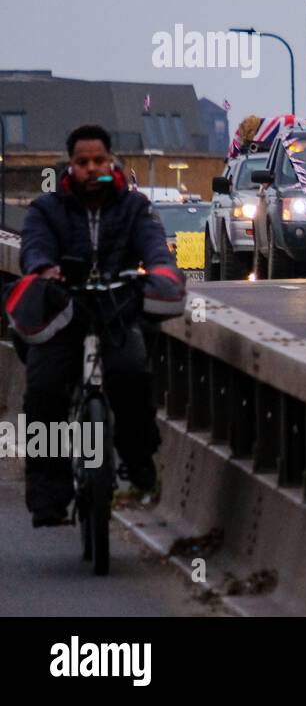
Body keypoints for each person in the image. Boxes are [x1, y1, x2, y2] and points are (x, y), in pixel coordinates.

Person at [15, 125, 180, 526]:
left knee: (132, 374)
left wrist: (160, 271)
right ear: (69, 165)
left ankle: (139, 459)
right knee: (44, 390)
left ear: (111, 161)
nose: (91, 169)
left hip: (115, 311)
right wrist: (43, 270)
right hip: (64, 313)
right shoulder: (46, 210)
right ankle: (48, 494)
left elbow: (155, 246)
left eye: (99, 161)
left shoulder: (134, 207)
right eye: (82, 162)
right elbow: (33, 248)